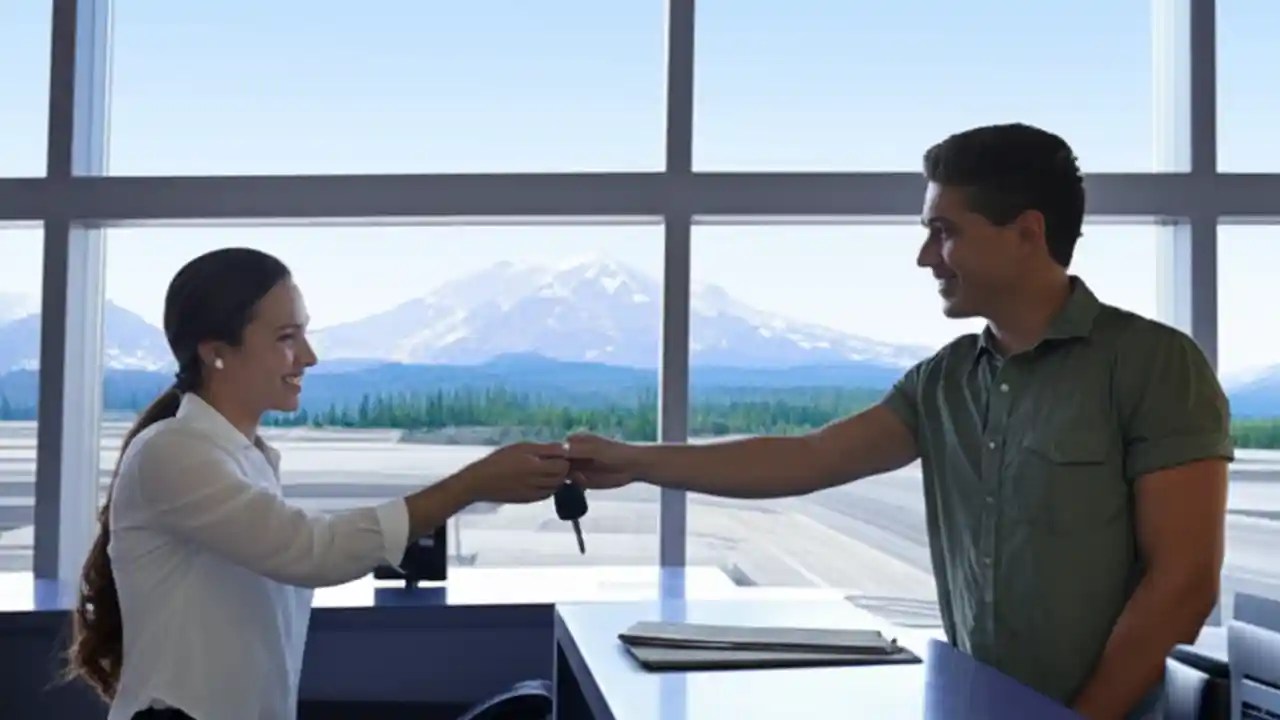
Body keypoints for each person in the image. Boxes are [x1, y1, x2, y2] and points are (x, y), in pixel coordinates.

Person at [566, 123, 1233, 720]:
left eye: (945, 232)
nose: (925, 257)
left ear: (1028, 233)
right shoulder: (942, 380)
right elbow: (808, 457)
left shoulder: (1153, 365)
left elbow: (1184, 583)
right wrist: (633, 460)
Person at [63, 248, 571, 720]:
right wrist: (471, 485)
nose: (308, 356)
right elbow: (313, 550)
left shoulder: (244, 458)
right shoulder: (173, 452)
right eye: (286, 338)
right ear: (216, 352)